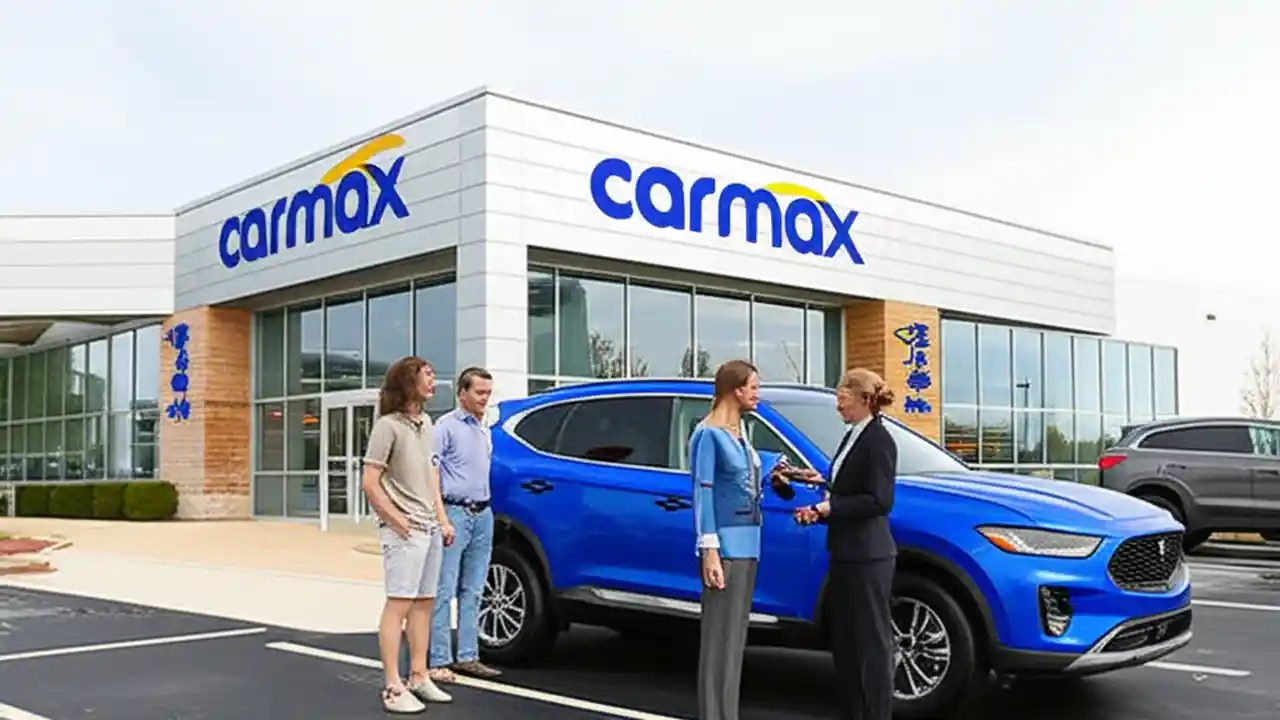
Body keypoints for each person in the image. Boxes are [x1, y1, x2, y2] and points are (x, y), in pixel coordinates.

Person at [795, 368, 899, 720]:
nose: (838, 405)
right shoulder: (853, 435)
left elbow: (879, 500)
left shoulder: (879, 440)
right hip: (844, 552)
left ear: (864, 399)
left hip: (869, 556)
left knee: (871, 643)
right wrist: (822, 486)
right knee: (847, 642)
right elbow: (849, 486)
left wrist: (829, 507)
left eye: (843, 398)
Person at [362, 355, 457, 713]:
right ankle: (392, 685)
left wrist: (442, 519)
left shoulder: (426, 423)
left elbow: (431, 476)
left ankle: (419, 675)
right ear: (407, 382)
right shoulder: (387, 426)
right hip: (404, 531)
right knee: (399, 604)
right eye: (426, 375)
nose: (433, 381)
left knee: (424, 604)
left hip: (428, 527)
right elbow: (370, 482)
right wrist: (397, 520)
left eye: (433, 374)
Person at [689, 359, 783, 720]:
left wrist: (779, 471)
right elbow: (703, 493)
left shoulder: (740, 432)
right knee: (719, 639)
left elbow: (744, 478)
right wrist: (709, 550)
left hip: (749, 544)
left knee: (734, 640)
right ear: (735, 389)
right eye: (754, 387)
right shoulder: (708, 435)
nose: (758, 394)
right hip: (725, 547)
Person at [428, 366, 504, 683]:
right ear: (462, 393)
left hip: (482, 514)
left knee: (473, 589)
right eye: (479, 392)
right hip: (454, 512)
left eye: (488, 392)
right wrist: (441, 518)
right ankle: (439, 659)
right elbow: (431, 473)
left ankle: (468, 656)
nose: (485, 398)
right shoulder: (445, 427)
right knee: (444, 588)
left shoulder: (485, 429)